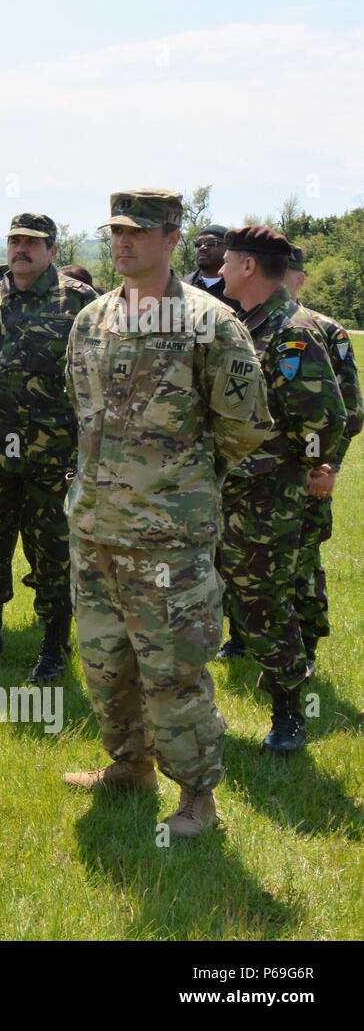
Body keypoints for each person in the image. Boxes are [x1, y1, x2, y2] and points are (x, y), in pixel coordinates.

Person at [61, 189, 269, 840]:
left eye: (139, 232)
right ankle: (130, 765)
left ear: (172, 238)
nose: (123, 242)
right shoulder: (91, 320)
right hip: (94, 527)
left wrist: (178, 484)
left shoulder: (211, 323)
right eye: (116, 231)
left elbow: (241, 426)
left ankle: (197, 797)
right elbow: (82, 409)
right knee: (104, 661)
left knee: (173, 669)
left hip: (168, 537)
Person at [216, 226, 345, 755]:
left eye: (227, 261)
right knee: (235, 598)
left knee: (264, 604)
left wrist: (312, 467)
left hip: (268, 497)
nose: (219, 270)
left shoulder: (290, 330)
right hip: (231, 489)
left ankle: (289, 712)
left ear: (249, 267)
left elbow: (324, 415)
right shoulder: (245, 323)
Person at [0, 213, 99, 684]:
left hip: (54, 455)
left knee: (52, 553)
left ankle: (54, 644)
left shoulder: (80, 302)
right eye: (14, 241)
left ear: (52, 250)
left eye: (32, 243)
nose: (20, 249)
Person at [285, 246, 363, 673]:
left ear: (301, 278)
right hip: (257, 474)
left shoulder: (326, 331)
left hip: (309, 472)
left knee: (302, 561)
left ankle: (307, 647)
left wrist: (328, 466)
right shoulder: (246, 325)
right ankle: (244, 641)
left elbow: (350, 411)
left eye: (289, 273)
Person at [182, 225, 239, 310]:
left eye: (211, 243)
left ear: (228, 248)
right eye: (198, 244)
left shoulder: (239, 287)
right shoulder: (184, 285)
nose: (202, 248)